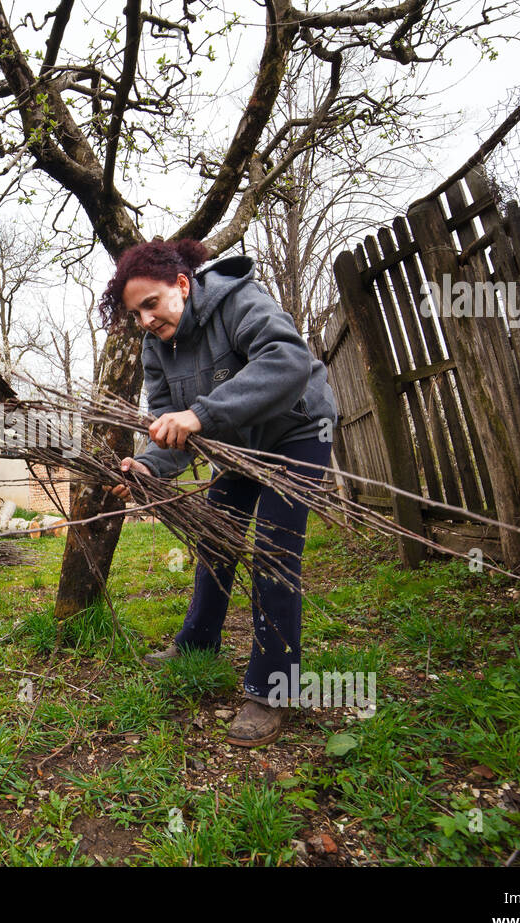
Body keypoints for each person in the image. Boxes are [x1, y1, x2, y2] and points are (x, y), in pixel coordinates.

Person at [103, 237, 339, 747]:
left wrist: (203, 414)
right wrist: (145, 467)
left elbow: (288, 361)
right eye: (135, 313)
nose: (145, 320)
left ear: (182, 286)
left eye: (151, 304)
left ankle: (273, 689)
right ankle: (197, 644)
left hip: (296, 432)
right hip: (237, 444)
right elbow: (171, 430)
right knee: (216, 539)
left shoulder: (238, 300)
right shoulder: (155, 347)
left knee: (274, 552)